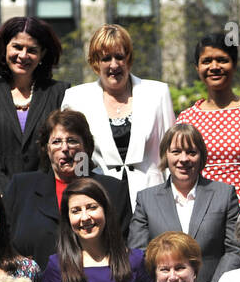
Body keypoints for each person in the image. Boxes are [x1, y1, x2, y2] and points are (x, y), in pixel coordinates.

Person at [61, 24, 174, 209]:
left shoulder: (157, 93)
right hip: (99, 199)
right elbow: (72, 156)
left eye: (119, 57)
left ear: (128, 58)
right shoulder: (76, 98)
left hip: (153, 197)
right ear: (95, 62)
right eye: (106, 58)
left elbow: (169, 153)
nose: (114, 65)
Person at [3, 109, 133, 268]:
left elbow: (123, 247)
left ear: (86, 147)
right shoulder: (21, 187)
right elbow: (3, 241)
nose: (64, 148)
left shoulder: (113, 190)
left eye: (72, 141)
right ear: (47, 148)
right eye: (56, 142)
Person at [127, 123, 240, 282]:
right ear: (166, 154)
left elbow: (235, 250)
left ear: (201, 156)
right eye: (176, 152)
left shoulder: (224, 195)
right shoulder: (146, 200)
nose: (184, 158)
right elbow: (139, 255)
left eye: (191, 152)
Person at [175, 33, 240, 209]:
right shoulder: (187, 118)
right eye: (206, 61)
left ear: (235, 64)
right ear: (197, 68)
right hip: (200, 210)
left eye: (222, 60)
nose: (214, 67)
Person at [0, 16, 69, 194]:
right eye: (17, 47)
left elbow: (67, 148)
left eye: (31, 50)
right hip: (2, 199)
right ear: (5, 48)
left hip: (49, 196)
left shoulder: (60, 93)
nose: (23, 55)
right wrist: (8, 194)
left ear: (42, 54)